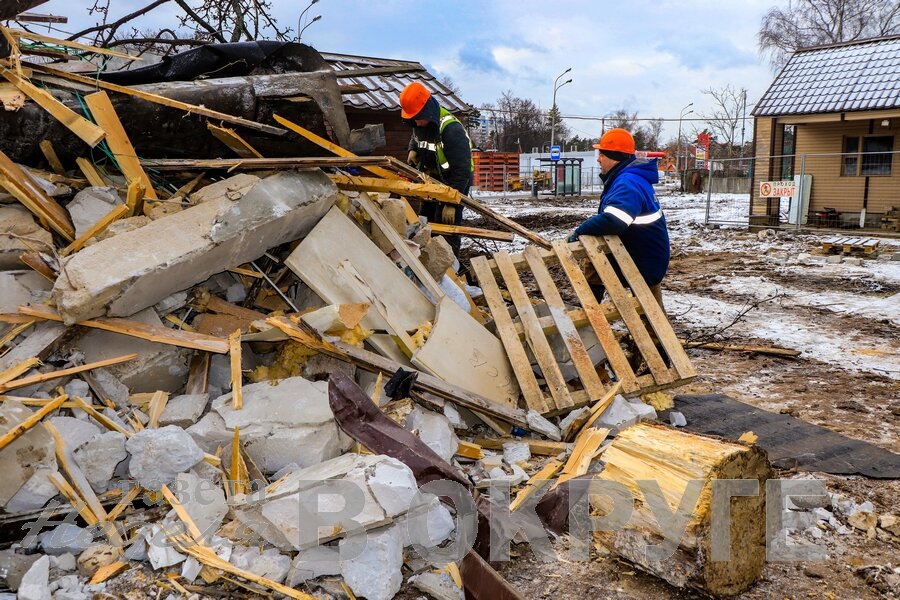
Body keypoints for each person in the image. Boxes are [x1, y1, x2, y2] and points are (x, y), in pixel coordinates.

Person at [568, 128, 670, 309]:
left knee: (649, 308)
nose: (598, 159)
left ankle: (590, 311)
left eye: (602, 154)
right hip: (644, 253)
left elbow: (614, 220)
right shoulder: (629, 177)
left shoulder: (627, 182)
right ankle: (588, 309)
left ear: (614, 157)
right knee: (595, 260)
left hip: (642, 259)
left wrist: (579, 231)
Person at [399, 81, 473, 255]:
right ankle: (426, 258)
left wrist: (452, 202)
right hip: (432, 181)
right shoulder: (420, 124)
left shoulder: (450, 129)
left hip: (454, 183)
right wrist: (413, 150)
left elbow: (462, 171)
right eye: (413, 119)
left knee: (447, 228)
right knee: (425, 222)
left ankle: (452, 270)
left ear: (427, 110)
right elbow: (416, 137)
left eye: (418, 117)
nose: (416, 122)